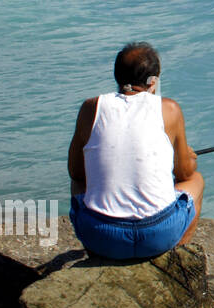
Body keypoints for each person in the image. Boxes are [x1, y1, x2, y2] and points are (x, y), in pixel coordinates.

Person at [67, 42, 204, 259]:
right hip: (157, 234)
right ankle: (174, 255)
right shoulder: (169, 109)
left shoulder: (90, 108)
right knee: (196, 180)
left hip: (101, 236)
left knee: (78, 184)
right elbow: (185, 174)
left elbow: (75, 173)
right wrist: (188, 156)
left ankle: (98, 254)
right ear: (153, 81)